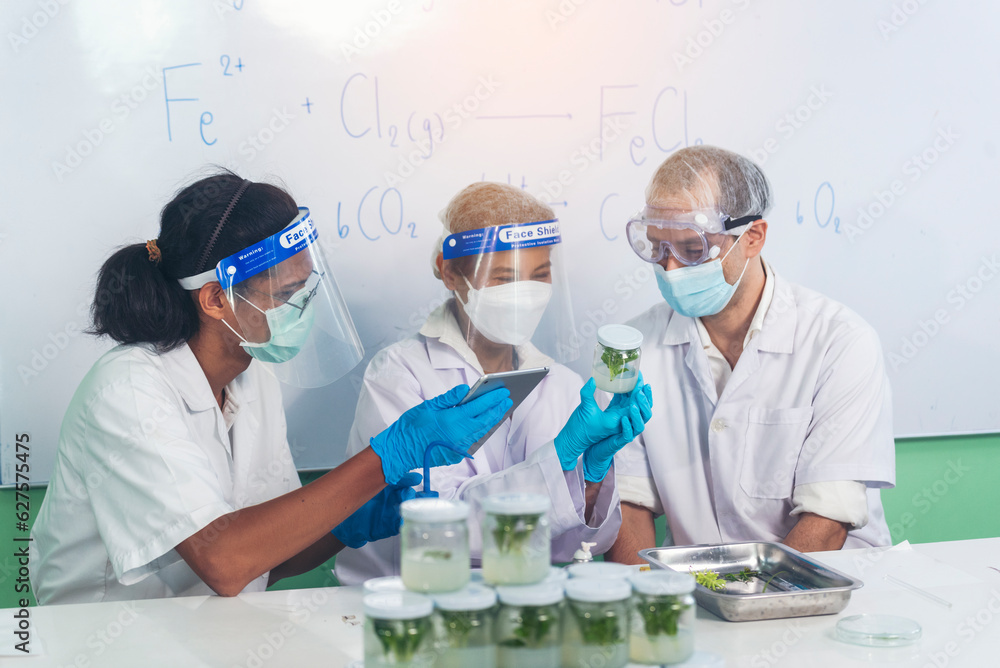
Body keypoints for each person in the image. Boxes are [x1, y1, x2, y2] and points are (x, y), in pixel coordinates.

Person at [30, 172, 512, 604]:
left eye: (304, 289)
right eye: (284, 295)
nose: (300, 307)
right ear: (216, 298)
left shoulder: (251, 373)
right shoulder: (128, 389)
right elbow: (224, 561)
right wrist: (386, 457)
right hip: (99, 644)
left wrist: (349, 520)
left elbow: (268, 555)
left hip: (199, 639)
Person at [336, 182, 652, 584]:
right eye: (505, 278)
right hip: (407, 606)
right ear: (450, 272)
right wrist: (558, 461)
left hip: (513, 609)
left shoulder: (564, 385)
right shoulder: (399, 374)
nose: (525, 296)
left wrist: (589, 478)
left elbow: (579, 546)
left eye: (539, 276)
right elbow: (437, 529)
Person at [606, 146, 895, 563]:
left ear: (752, 237)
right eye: (657, 248)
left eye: (692, 248)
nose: (669, 269)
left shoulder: (839, 342)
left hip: (822, 586)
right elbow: (627, 504)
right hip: (694, 595)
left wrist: (744, 600)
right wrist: (651, 612)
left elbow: (828, 519)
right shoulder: (635, 346)